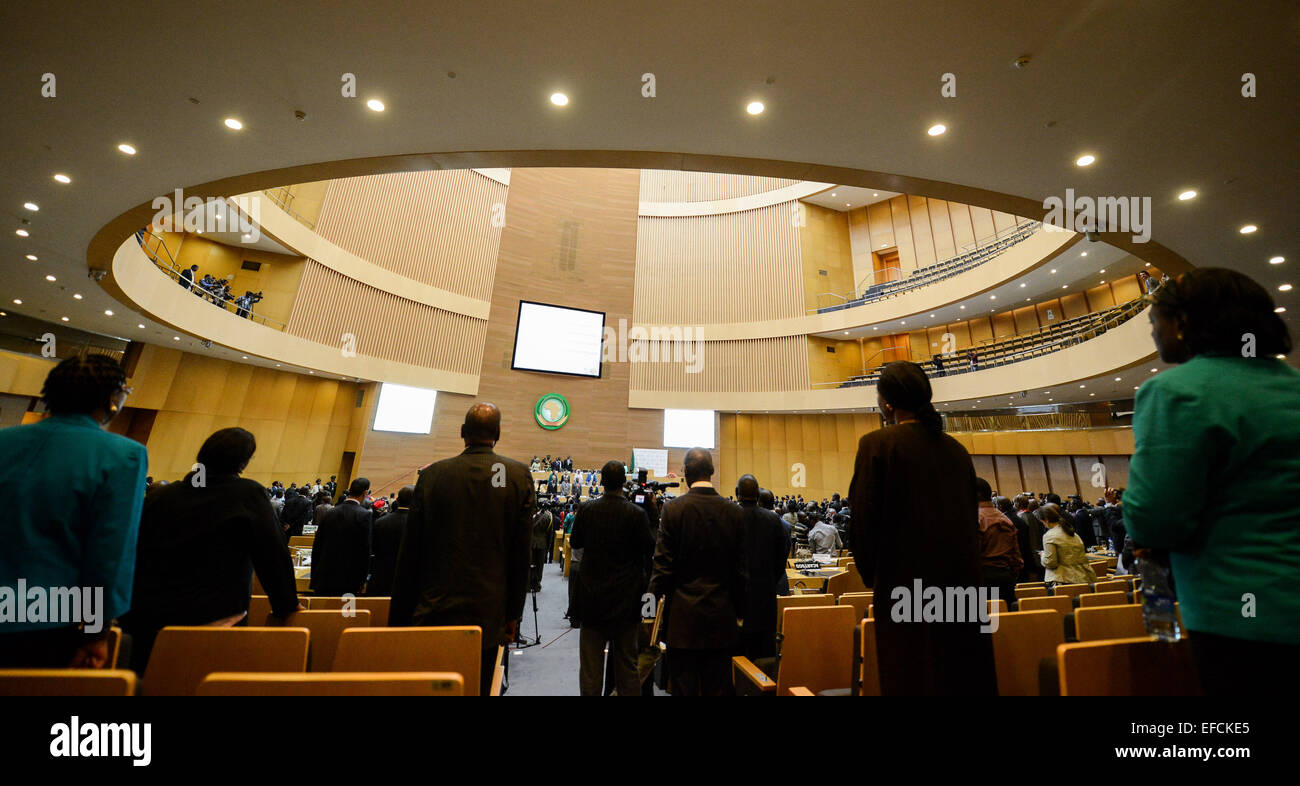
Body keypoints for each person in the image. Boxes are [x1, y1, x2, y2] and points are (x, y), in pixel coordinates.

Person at [1124, 267, 1300, 695]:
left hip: (1239, 619)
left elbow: (1154, 520)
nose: (1153, 334)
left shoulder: (1177, 392)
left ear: (1183, 323)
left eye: (1155, 323)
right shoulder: (1293, 386)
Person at [847, 361, 996, 695]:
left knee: (915, 677)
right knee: (961, 679)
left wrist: (877, 578)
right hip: (963, 590)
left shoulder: (877, 444)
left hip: (906, 592)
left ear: (887, 404)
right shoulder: (957, 451)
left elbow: (863, 526)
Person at [0, 354, 148, 668]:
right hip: (45, 620)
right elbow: (109, 552)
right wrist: (97, 631)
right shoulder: (124, 455)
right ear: (113, 398)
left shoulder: (5, 440)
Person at [120, 428, 301, 672]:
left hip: (147, 620)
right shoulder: (248, 494)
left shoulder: (159, 497)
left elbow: (130, 554)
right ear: (244, 461)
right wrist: (286, 605)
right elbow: (273, 556)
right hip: (215, 619)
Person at [390, 403, 535, 696]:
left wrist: (399, 619)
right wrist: (512, 616)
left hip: (432, 611)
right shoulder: (518, 476)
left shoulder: (432, 476)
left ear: (461, 432)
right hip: (488, 615)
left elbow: (410, 554)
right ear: (498, 434)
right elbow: (521, 557)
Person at [649, 448, 745, 696]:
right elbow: (741, 573)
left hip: (682, 623)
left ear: (686, 473)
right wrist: (740, 615)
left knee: (683, 690)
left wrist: (646, 613)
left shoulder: (672, 510)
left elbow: (659, 570)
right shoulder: (735, 512)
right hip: (722, 621)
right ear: (712, 472)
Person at [569, 461, 655, 696]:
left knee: (590, 671)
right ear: (624, 483)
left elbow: (575, 543)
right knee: (628, 667)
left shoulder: (587, 510)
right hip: (626, 603)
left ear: (601, 483)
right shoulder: (636, 513)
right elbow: (650, 549)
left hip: (592, 601)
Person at [735, 474, 789, 661]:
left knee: (737, 653)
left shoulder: (729, 516)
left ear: (737, 493)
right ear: (757, 494)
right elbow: (782, 557)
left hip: (735, 599)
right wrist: (770, 580)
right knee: (764, 653)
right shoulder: (773, 520)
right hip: (765, 596)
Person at [310, 478, 374, 596]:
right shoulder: (364, 515)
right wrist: (362, 580)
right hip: (349, 579)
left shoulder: (330, 512)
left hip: (324, 575)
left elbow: (317, 545)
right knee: (346, 614)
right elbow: (365, 550)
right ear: (365, 493)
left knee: (322, 613)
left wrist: (314, 576)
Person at [976, 478, 1023, 607]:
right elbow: (1016, 558)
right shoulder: (1006, 519)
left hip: (982, 580)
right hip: (1005, 578)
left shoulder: (975, 519)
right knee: (1006, 622)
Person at [367, 485, 412, 597]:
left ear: (397, 500)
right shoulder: (420, 525)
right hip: (405, 582)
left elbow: (372, 548)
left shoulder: (380, 522)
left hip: (379, 577)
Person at [1039, 505, 1097, 588]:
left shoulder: (1049, 536)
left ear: (1046, 520)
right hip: (1083, 577)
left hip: (1063, 580)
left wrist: (1042, 555)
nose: (1044, 525)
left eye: (1042, 522)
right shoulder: (1073, 533)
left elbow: (1051, 562)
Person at [529, 503, 555, 592]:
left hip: (530, 543)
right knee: (539, 566)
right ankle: (536, 585)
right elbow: (550, 534)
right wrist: (548, 546)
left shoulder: (529, 515)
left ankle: (528, 585)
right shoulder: (548, 517)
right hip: (542, 544)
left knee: (530, 564)